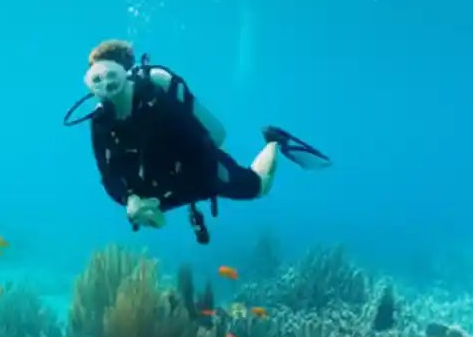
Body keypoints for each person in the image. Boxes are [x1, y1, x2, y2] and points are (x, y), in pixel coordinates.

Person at [63, 39, 331, 244]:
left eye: (110, 77)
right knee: (140, 209)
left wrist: (187, 189)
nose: (105, 88)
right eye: (95, 80)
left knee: (258, 187)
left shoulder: (158, 100)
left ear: (125, 73)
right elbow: (107, 173)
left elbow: (199, 146)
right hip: (161, 180)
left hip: (200, 170)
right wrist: (130, 200)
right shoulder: (100, 119)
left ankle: (274, 142)